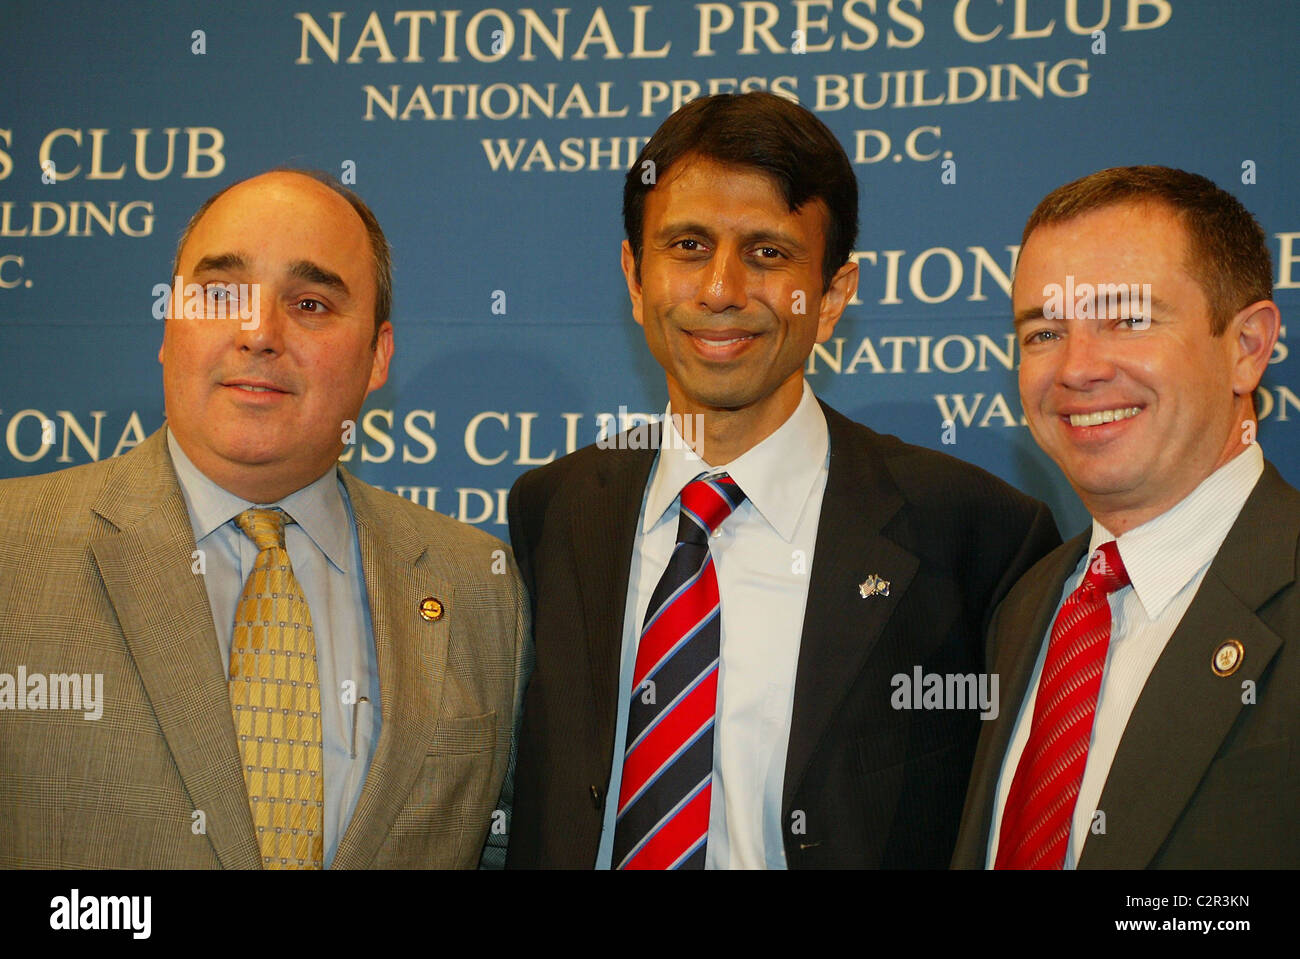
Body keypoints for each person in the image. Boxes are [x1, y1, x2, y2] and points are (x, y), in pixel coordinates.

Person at [505, 92, 1061, 869]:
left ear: (833, 296)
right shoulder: (551, 510)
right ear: (635, 278)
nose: (722, 289)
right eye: (688, 246)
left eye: (767, 252)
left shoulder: (978, 535)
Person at [0, 169, 529, 869]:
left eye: (310, 303)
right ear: (169, 327)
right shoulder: (15, 548)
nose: (258, 332)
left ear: (378, 355)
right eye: (222, 294)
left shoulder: (481, 590)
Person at [952, 166, 1297, 869]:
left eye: (1129, 319)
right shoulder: (1024, 604)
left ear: (1247, 346)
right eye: (1044, 332)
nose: (1078, 368)